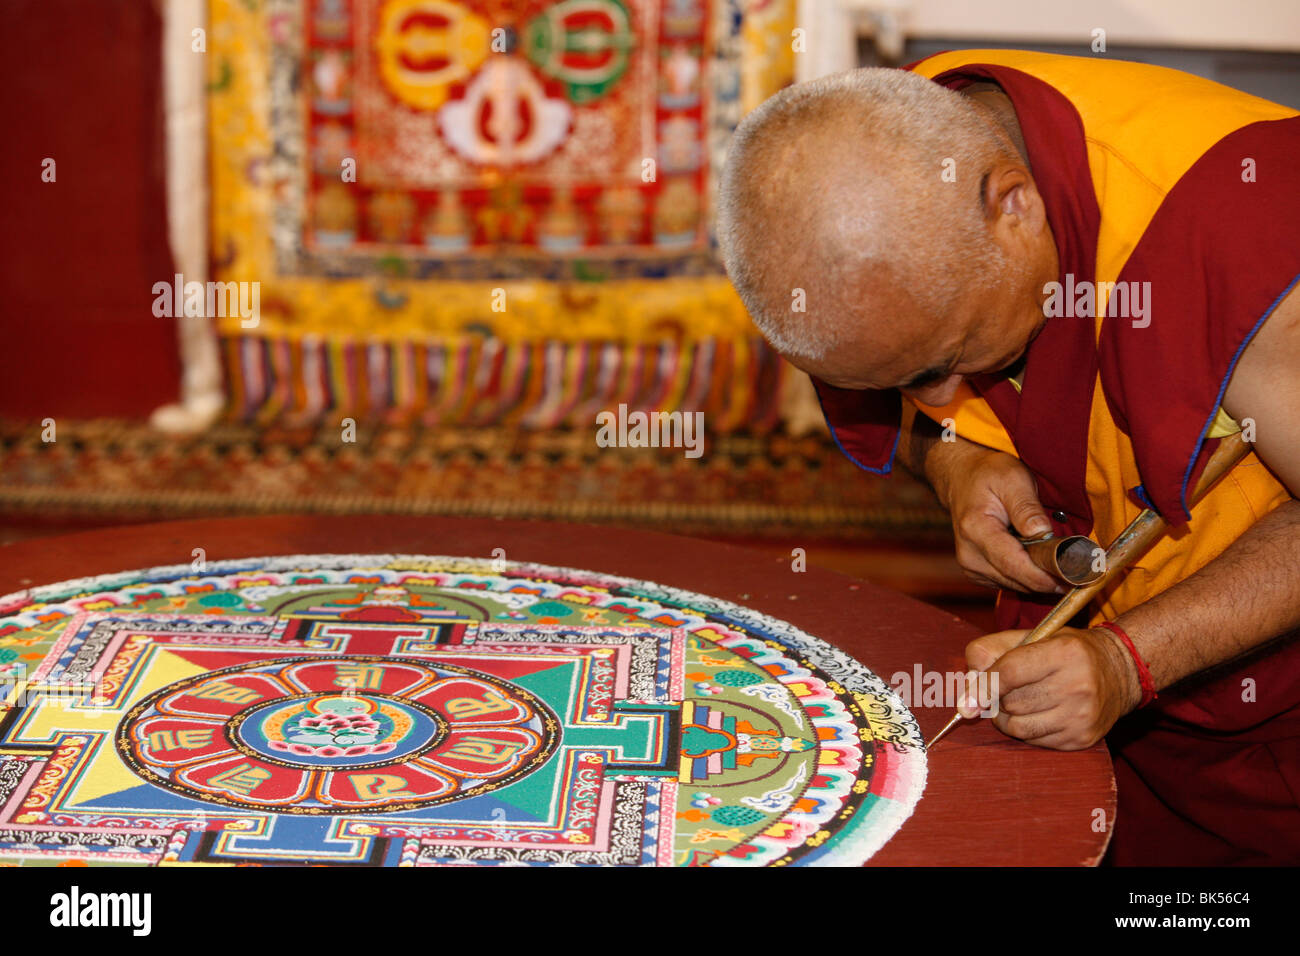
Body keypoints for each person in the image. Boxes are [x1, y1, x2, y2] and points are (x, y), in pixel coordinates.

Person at [716, 49, 1300, 865]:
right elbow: (904, 395)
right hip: (1085, 700)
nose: (945, 394)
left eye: (940, 366)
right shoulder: (907, 147)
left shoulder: (1239, 233)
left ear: (1014, 205)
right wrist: (954, 459)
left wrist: (1132, 662)